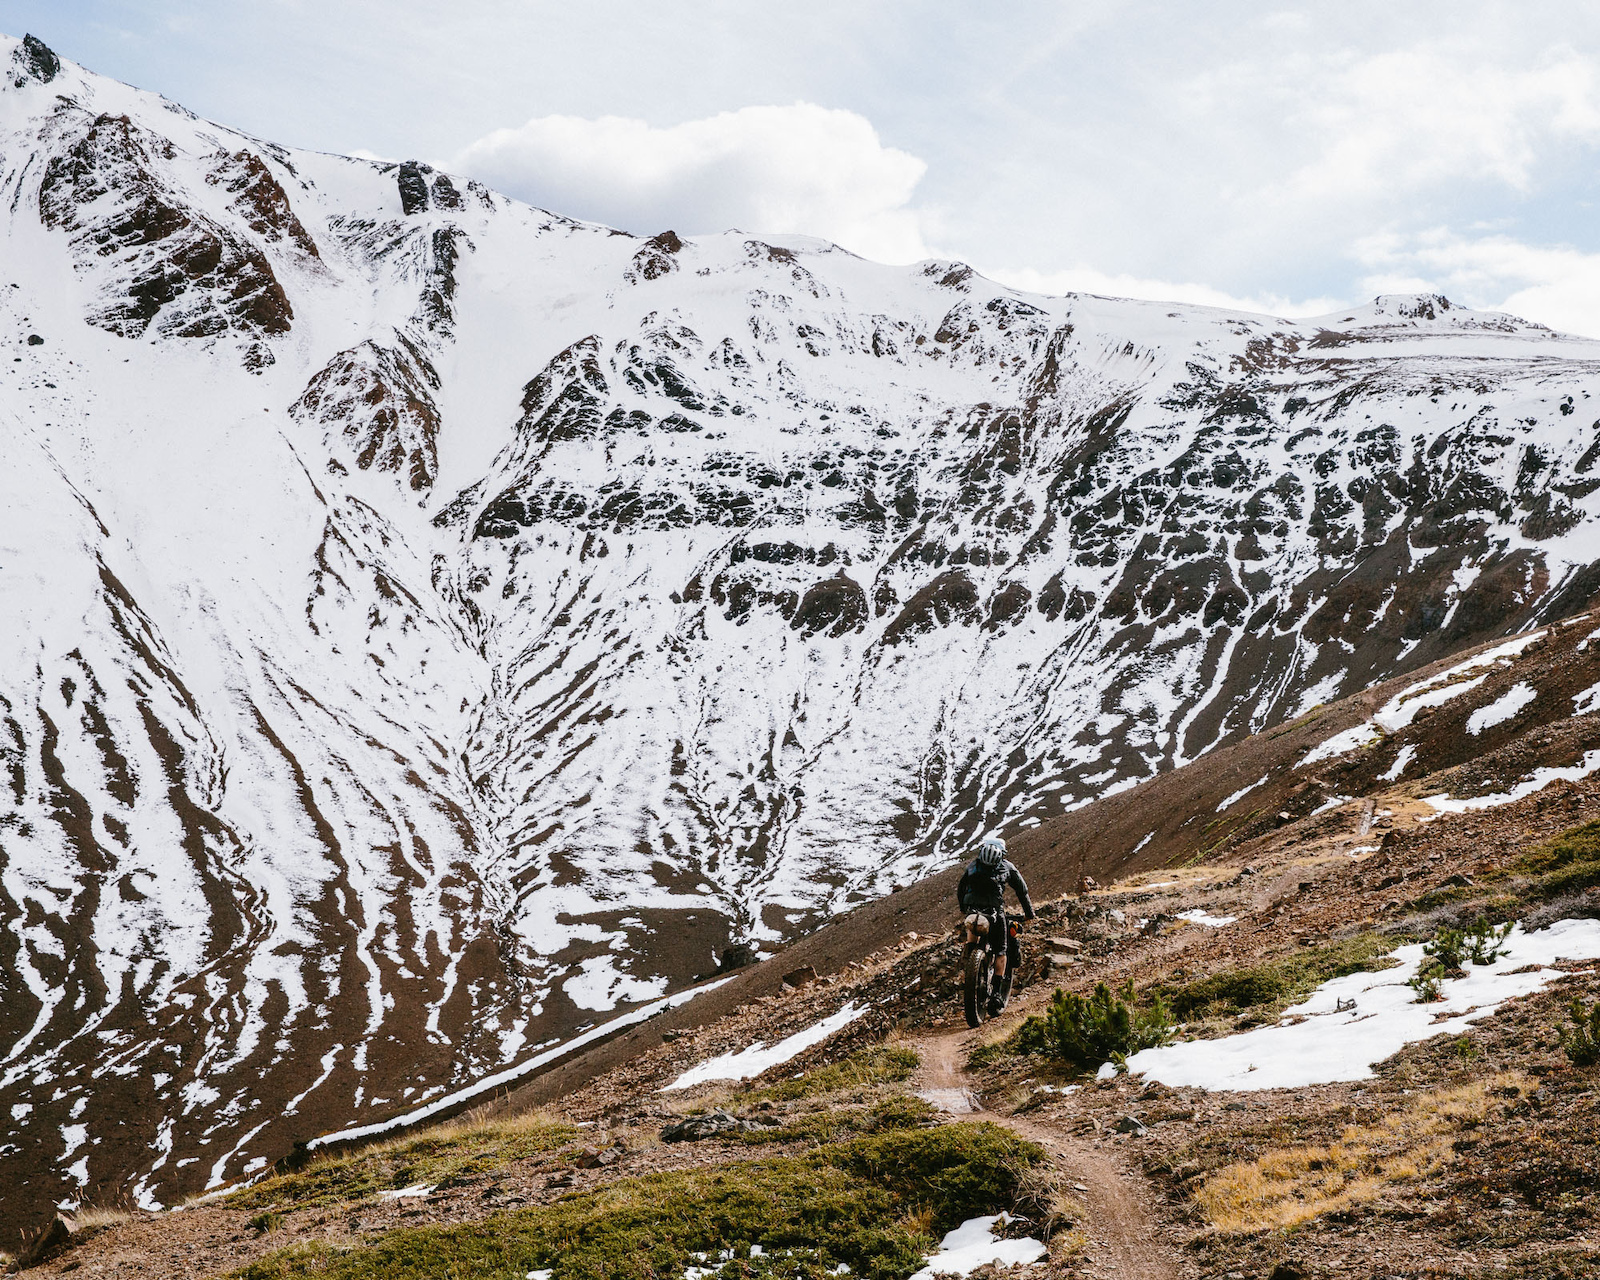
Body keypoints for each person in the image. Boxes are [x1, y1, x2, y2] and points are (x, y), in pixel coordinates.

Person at [957, 835, 1035, 1015]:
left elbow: (961, 889)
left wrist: (964, 908)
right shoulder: (1007, 866)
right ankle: (997, 994)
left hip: (973, 911)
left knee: (973, 924)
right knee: (1002, 950)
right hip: (994, 912)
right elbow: (1022, 891)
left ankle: (970, 955)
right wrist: (1029, 914)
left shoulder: (973, 866)